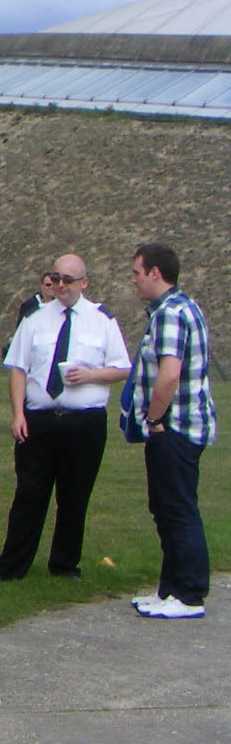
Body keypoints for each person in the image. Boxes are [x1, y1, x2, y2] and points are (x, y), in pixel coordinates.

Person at [0, 254, 127, 584]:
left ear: (83, 283)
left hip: (83, 422)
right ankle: (10, 568)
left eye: (67, 280)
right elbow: (18, 368)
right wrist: (18, 414)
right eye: (55, 278)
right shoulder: (35, 318)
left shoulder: (102, 320)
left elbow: (121, 368)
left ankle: (64, 566)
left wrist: (90, 375)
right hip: (40, 419)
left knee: (74, 497)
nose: (60, 285)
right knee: (29, 494)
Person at [129, 243, 213, 619]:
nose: (133, 280)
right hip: (177, 426)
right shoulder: (175, 308)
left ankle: (191, 594)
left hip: (175, 427)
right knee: (165, 507)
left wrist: (154, 419)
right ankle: (171, 589)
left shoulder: (170, 314)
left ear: (155, 273)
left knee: (177, 509)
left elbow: (169, 374)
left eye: (136, 272)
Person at [3, 265, 58, 358]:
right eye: (48, 285)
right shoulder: (30, 305)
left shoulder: (59, 305)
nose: (51, 288)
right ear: (42, 286)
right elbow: (21, 328)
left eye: (53, 285)